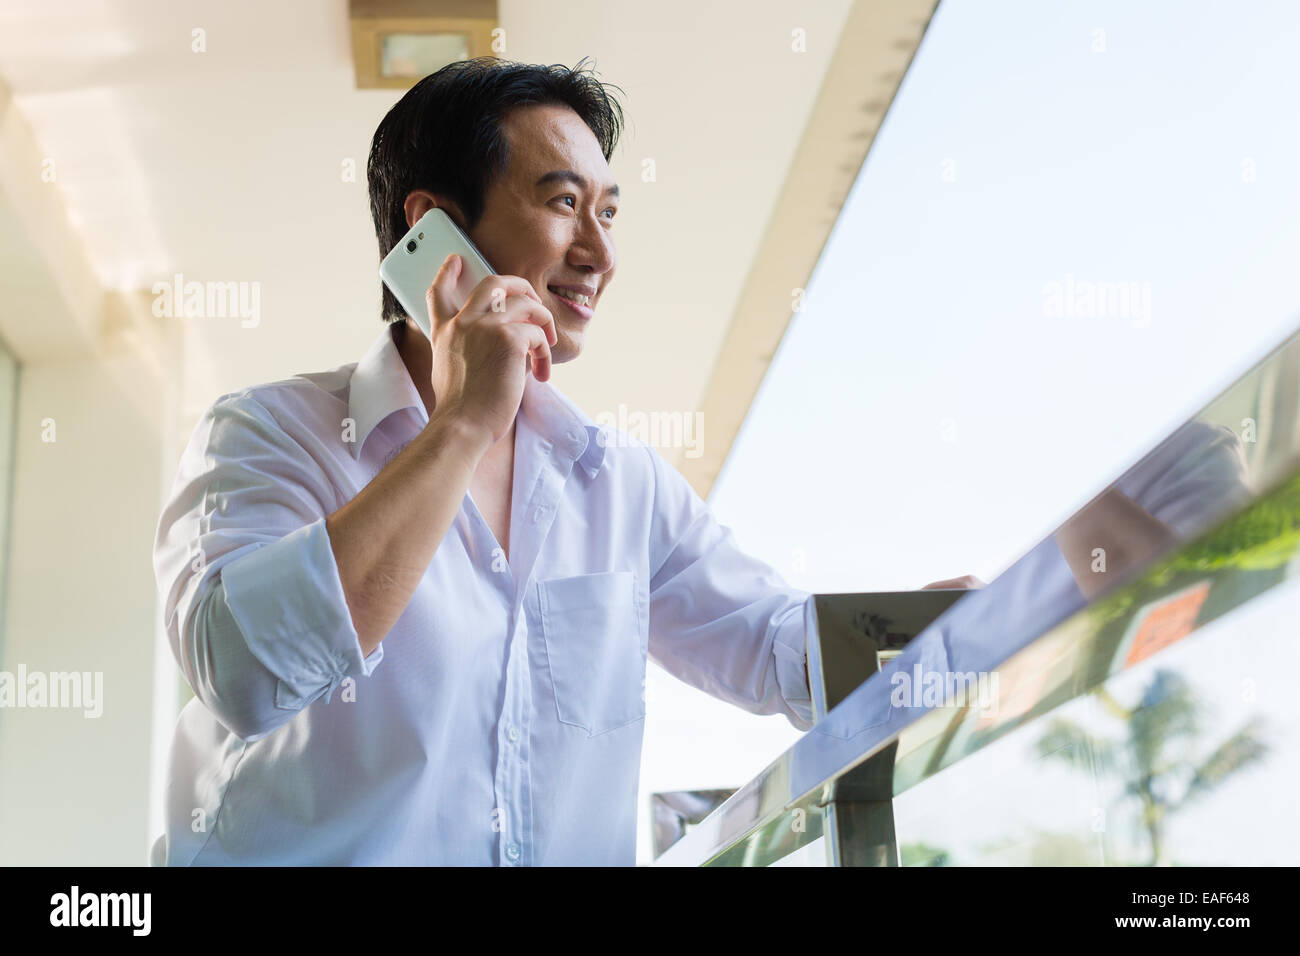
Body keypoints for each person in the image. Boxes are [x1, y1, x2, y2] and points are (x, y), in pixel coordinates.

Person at [151, 58, 818, 866]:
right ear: (433, 233)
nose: (600, 253)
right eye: (565, 203)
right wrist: (462, 423)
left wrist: (916, 634)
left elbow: (778, 646)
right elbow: (247, 672)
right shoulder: (266, 434)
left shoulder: (618, 483)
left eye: (609, 212)